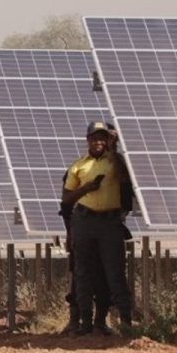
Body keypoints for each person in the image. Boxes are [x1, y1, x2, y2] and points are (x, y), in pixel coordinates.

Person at [62, 122, 132, 335]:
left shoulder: (116, 163)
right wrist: (86, 188)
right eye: (94, 138)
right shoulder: (78, 166)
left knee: (114, 273)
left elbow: (124, 179)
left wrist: (114, 149)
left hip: (110, 223)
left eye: (103, 138)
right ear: (88, 141)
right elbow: (66, 199)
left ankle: (124, 324)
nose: (98, 142)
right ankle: (85, 323)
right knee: (82, 273)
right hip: (84, 221)